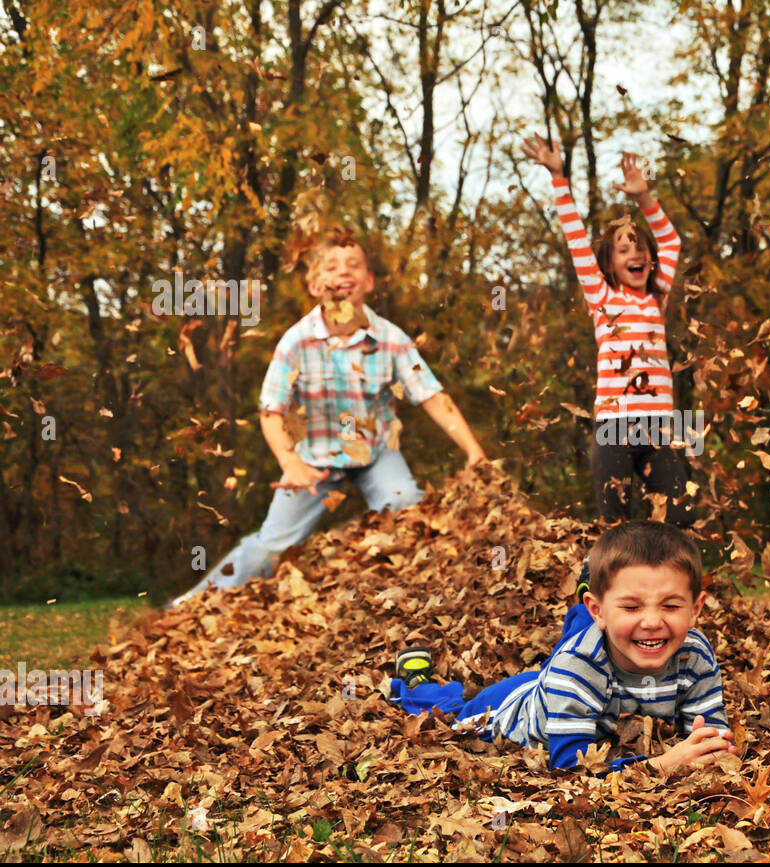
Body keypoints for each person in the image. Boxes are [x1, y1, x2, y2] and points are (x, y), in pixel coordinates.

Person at [167, 229, 486, 609]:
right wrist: (290, 462)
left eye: (354, 265)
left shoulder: (391, 339)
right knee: (272, 546)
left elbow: (432, 396)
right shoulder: (296, 342)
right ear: (316, 285)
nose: (343, 272)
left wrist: (475, 452)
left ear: (368, 281)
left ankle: (417, 604)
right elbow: (271, 411)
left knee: (408, 515)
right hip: (313, 458)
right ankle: (190, 605)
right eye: (331, 266)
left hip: (376, 452)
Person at [388, 520, 735, 773]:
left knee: (588, 655)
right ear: (597, 608)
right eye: (632, 606)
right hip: (515, 709)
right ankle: (418, 687)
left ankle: (593, 616)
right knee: (455, 712)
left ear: (696, 609)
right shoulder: (577, 667)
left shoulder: (695, 653)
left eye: (671, 606)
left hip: (579, 670)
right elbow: (570, 764)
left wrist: (709, 748)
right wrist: (662, 764)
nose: (652, 621)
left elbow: (710, 738)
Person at [521, 135, 695, 528]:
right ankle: (607, 586)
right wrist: (558, 177)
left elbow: (671, 240)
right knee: (614, 523)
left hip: (660, 429)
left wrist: (644, 198)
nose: (635, 253)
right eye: (623, 248)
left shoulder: (657, 298)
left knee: (680, 516)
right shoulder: (602, 298)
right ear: (610, 264)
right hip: (613, 427)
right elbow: (575, 239)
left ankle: (672, 587)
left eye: (639, 246)